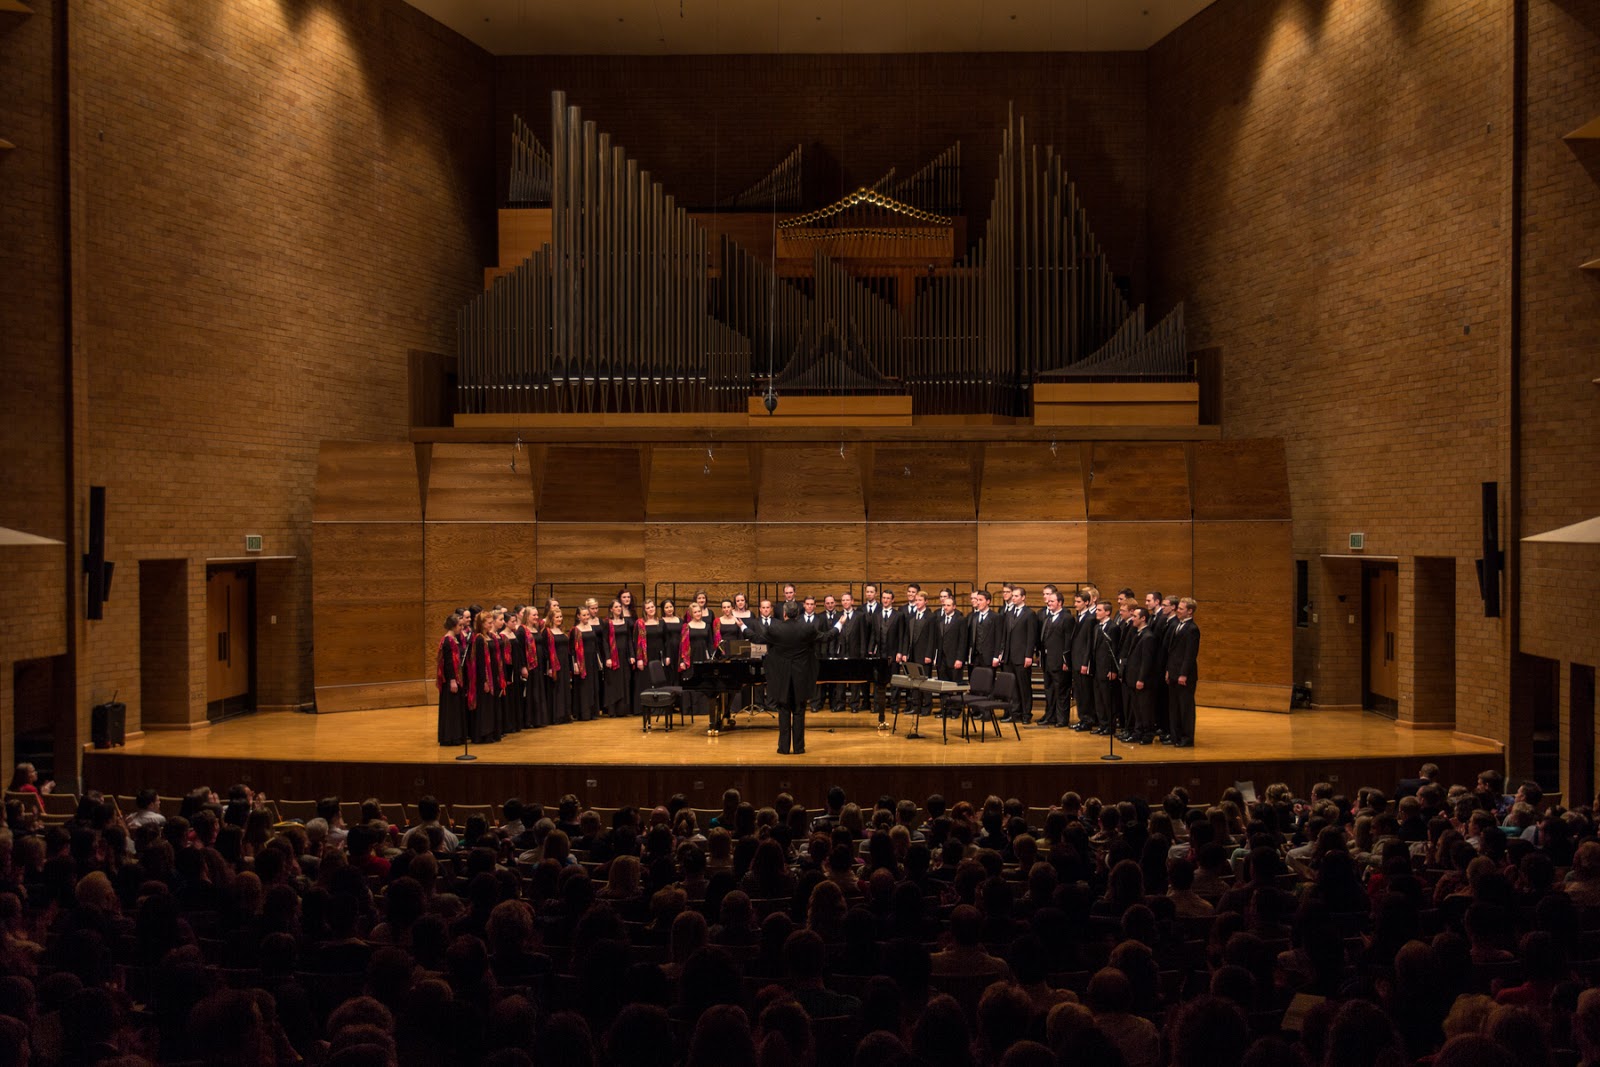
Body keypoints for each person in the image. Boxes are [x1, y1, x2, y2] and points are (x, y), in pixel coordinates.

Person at [763, 603, 828, 755]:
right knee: (799, 712)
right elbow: (826, 637)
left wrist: (742, 628)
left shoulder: (775, 628)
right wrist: (839, 626)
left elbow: (758, 638)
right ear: (798, 613)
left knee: (784, 711)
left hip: (783, 678)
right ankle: (799, 748)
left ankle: (783, 748)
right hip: (800, 677)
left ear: (784, 613)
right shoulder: (807, 628)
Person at [1165, 597, 1201, 747]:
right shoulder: (1177, 626)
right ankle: (1175, 735)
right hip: (1173, 672)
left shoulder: (1192, 629)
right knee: (1174, 707)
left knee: (1185, 707)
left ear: (1190, 611)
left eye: (1180, 609)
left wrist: (1183, 674)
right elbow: (1172, 652)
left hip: (1184, 675)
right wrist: (1168, 670)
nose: (1177, 611)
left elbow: (1190, 654)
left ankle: (1186, 738)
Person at [1036, 590, 1072, 728]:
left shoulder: (1066, 618)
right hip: (1047, 661)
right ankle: (1050, 716)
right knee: (1049, 690)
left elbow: (1068, 641)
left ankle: (1062, 719)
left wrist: (1065, 661)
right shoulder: (1047, 618)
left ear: (1060, 603)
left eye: (1052, 601)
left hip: (1059, 661)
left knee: (1061, 691)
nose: (1049, 603)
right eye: (1048, 601)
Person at [436, 613, 467, 746]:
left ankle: (457, 735)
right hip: (451, 680)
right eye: (459, 625)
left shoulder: (455, 639)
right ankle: (450, 736)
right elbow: (448, 663)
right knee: (451, 708)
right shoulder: (448, 640)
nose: (462, 628)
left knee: (456, 708)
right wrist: (452, 680)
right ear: (453, 626)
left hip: (457, 677)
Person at [1069, 589, 1098, 731]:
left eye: (1079, 602)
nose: (1075, 604)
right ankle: (1082, 718)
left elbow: (1088, 643)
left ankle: (1088, 719)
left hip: (1082, 661)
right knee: (1079, 692)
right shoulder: (1079, 616)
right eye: (1075, 602)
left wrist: (1085, 662)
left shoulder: (1091, 619)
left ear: (1087, 602)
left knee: (1085, 692)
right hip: (1075, 659)